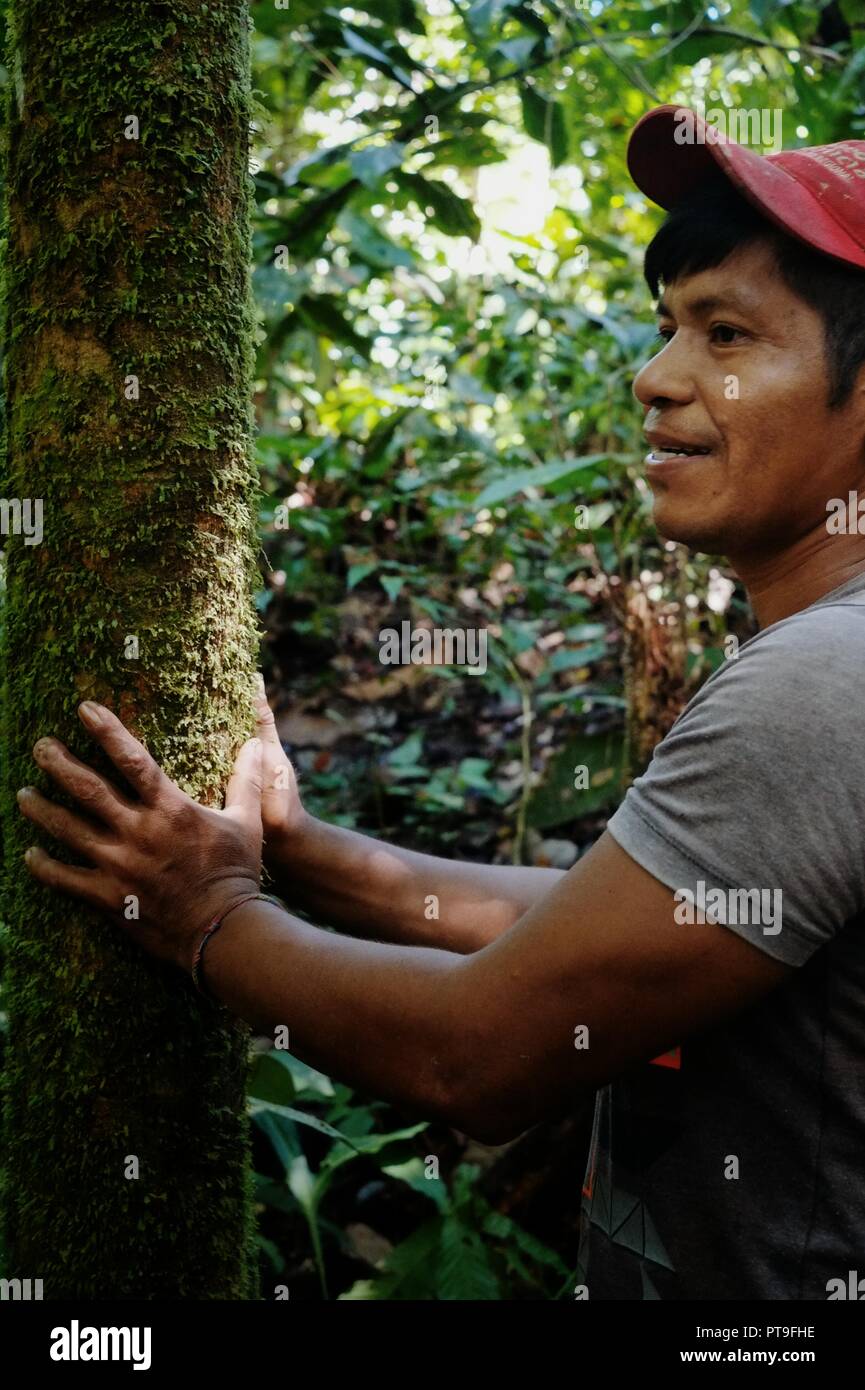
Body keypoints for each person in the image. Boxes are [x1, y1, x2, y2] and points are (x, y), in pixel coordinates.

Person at [19, 105, 865, 1300]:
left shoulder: (825, 681)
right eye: (668, 324)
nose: (655, 376)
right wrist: (301, 855)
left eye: (724, 333)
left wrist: (205, 916)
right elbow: (607, 916)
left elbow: (477, 1056)